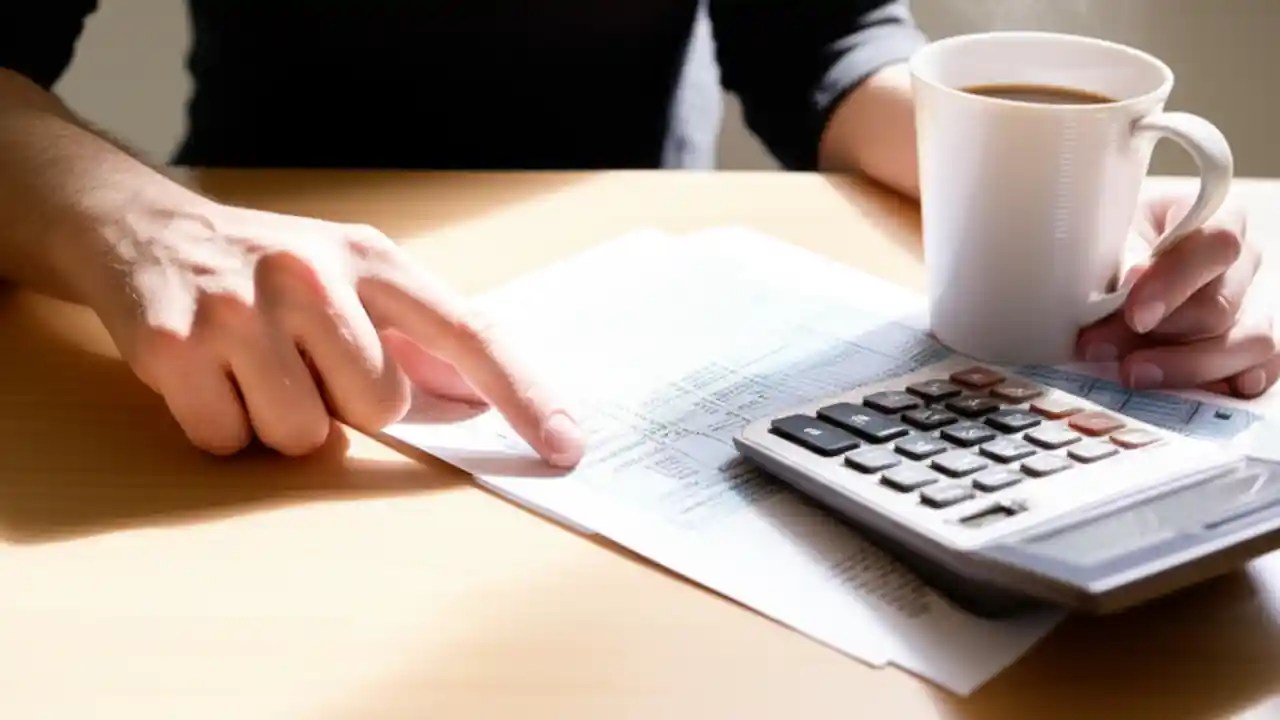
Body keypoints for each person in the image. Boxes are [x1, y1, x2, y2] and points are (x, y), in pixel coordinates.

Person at [0, 2, 1273, 468]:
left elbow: (826, 50)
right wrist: (144, 222)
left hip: (628, 316)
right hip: (282, 322)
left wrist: (1055, 200)